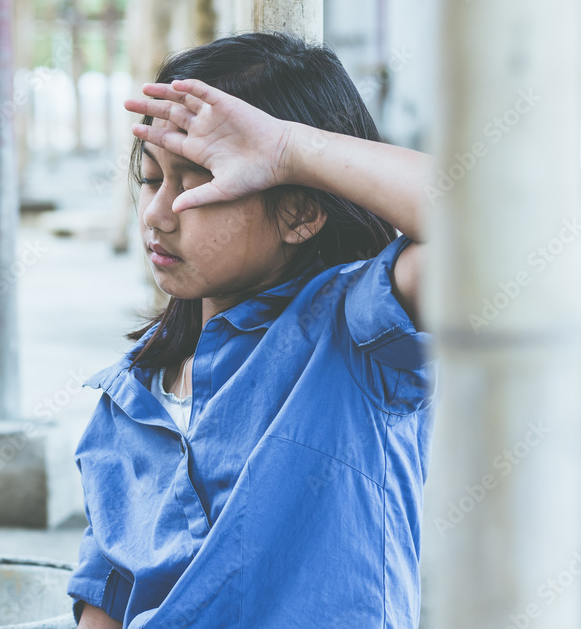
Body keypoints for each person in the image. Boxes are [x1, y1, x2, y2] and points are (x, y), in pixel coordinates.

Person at [67, 31, 437, 628]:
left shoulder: (357, 335)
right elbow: (107, 595)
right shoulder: (128, 394)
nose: (158, 213)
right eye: (150, 177)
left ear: (300, 211)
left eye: (197, 180)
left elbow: (501, 229)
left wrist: (290, 147)